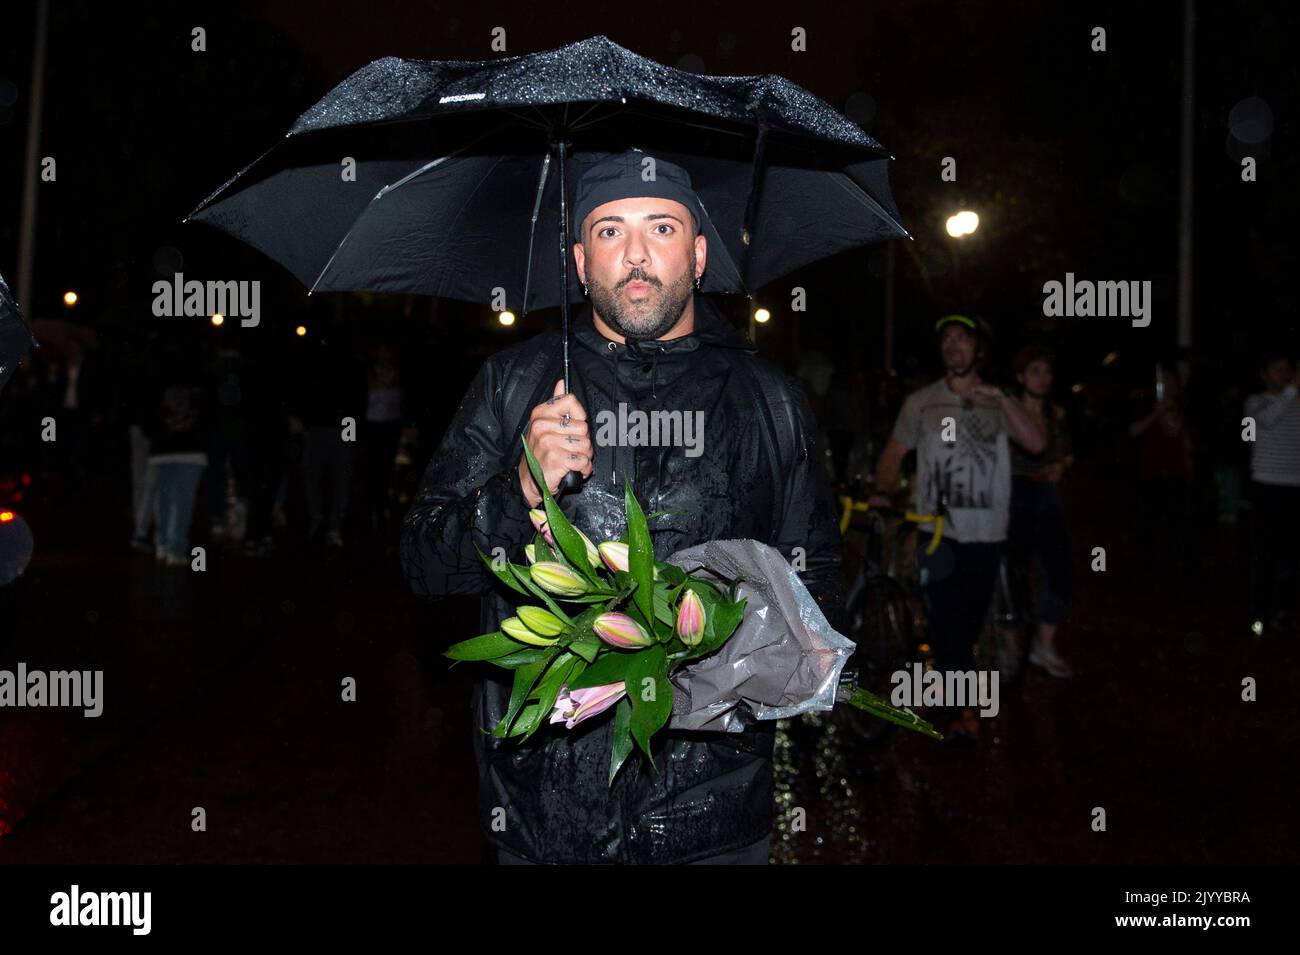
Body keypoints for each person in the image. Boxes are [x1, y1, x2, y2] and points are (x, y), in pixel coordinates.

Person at [400, 151, 843, 865]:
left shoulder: (771, 401)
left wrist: (727, 658)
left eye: (661, 228)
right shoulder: (515, 385)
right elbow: (424, 564)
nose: (636, 255)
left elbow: (815, 584)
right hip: (545, 818)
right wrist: (518, 490)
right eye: (609, 231)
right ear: (580, 262)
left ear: (699, 255)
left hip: (713, 821)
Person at [870, 315, 1045, 741]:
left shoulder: (997, 401)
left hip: (986, 532)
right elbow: (894, 452)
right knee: (942, 619)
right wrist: (880, 493)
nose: (954, 346)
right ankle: (959, 711)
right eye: (947, 339)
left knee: (965, 622)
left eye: (962, 339)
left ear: (977, 349)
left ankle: (949, 698)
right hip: (936, 532)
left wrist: (1002, 397)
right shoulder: (922, 401)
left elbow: (1037, 442)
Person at [1000, 345, 1074, 679]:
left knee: (1061, 571)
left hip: (1046, 494)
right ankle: (1010, 644)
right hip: (1014, 494)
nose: (1043, 378)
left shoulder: (1057, 414)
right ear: (1020, 377)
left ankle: (1044, 644)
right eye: (1035, 371)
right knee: (1013, 573)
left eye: (1047, 372)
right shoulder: (1007, 413)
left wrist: (1062, 465)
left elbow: (1066, 452)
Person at [1244, 352, 1300, 637]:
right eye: (1277, 370)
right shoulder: (1255, 402)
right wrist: (1291, 392)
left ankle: (1284, 611)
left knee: (1292, 555)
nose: (1284, 375)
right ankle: (1261, 613)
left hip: (1294, 485)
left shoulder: (1295, 402)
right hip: (1267, 484)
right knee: (1265, 553)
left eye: (1288, 370)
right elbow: (1264, 421)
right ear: (1264, 374)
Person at [145, 364, 210, 568]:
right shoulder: (201, 376)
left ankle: (165, 543)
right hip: (186, 447)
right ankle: (173, 547)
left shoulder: (156, 375)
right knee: (180, 501)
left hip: (167, 447)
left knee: (165, 499)